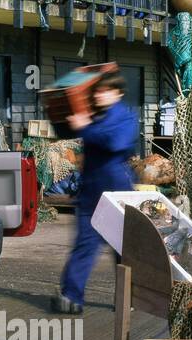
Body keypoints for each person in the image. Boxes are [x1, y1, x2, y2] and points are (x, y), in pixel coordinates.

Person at [52, 72, 139, 314]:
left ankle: (126, 299)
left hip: (118, 193)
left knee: (122, 250)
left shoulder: (125, 117)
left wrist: (85, 128)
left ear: (118, 93)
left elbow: (116, 143)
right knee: (85, 245)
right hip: (90, 193)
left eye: (105, 91)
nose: (99, 95)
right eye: (98, 91)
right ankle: (71, 297)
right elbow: (68, 131)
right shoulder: (94, 117)